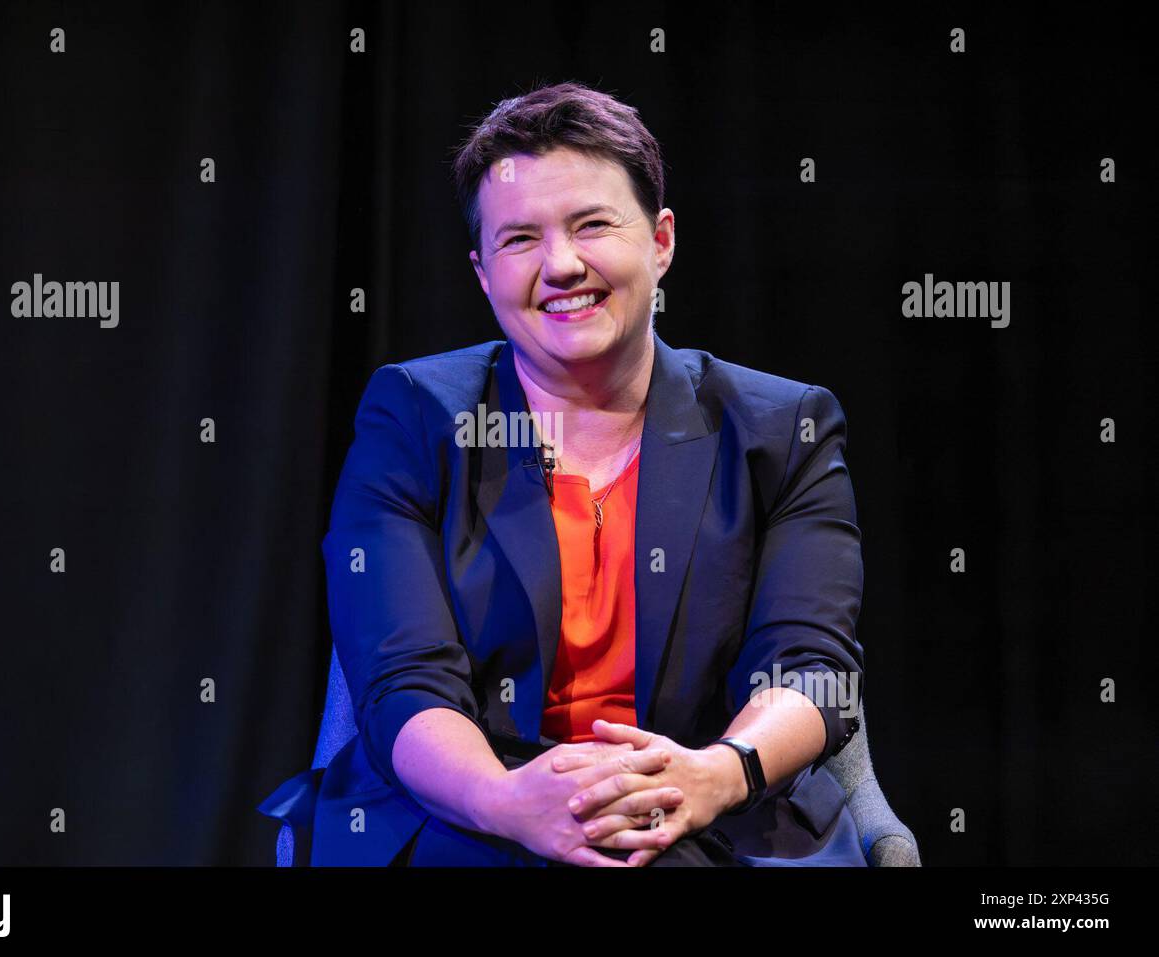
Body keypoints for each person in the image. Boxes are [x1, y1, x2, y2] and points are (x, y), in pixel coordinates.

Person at [310, 81, 866, 866]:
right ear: (481, 271)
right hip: (469, 812)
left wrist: (717, 772)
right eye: (519, 240)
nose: (561, 265)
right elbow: (401, 678)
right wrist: (508, 802)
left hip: (714, 811)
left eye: (592, 225)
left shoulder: (781, 429)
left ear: (662, 240)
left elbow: (809, 663)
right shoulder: (413, 417)